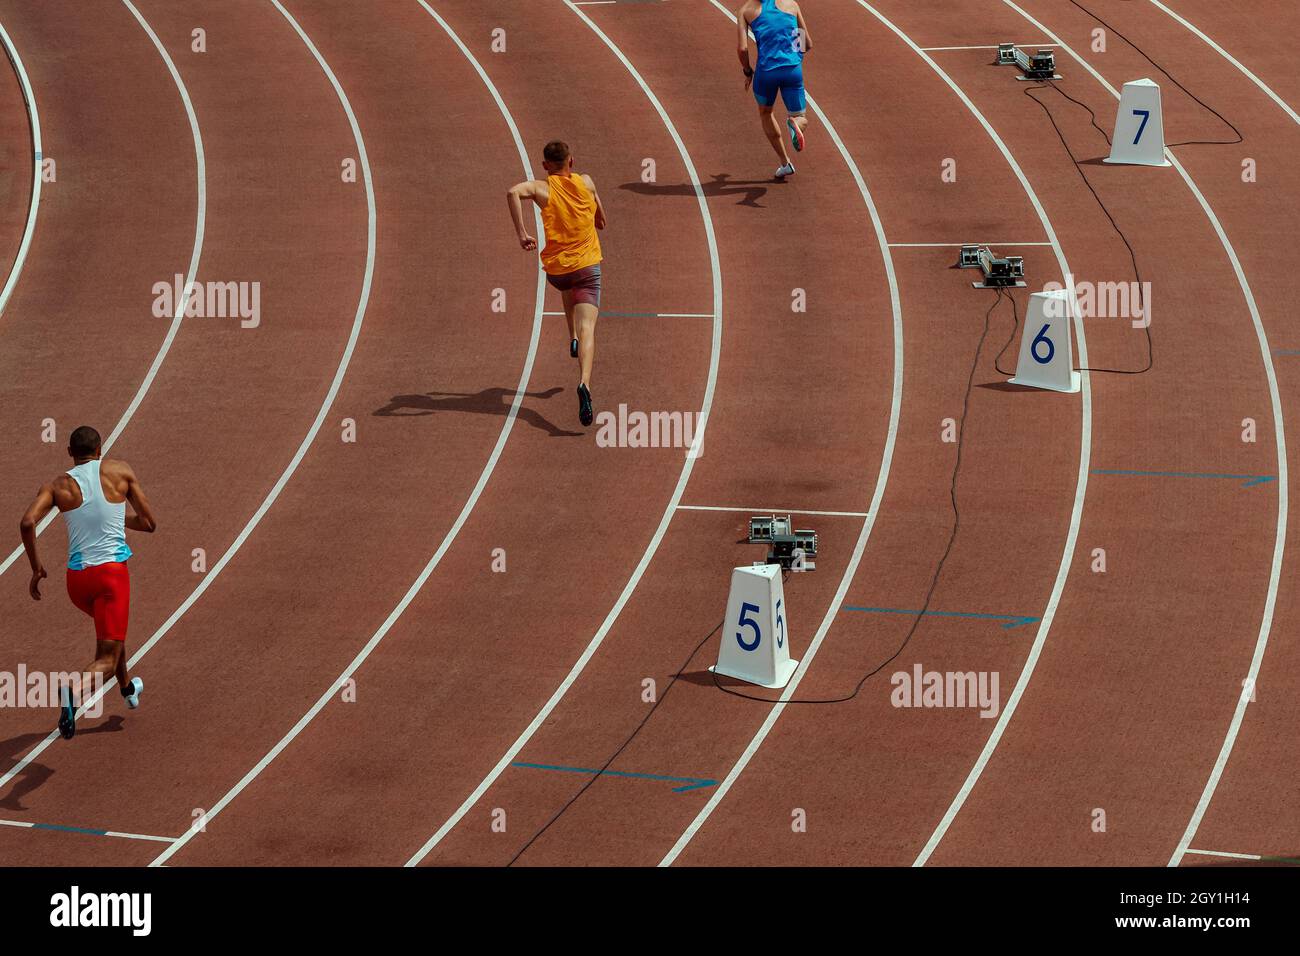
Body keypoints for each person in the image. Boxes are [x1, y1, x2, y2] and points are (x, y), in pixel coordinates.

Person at [19, 425, 156, 739]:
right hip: (110, 577)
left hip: (77, 582)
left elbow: (27, 522)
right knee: (106, 656)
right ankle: (74, 691)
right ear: (100, 450)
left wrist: (36, 567)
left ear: (69, 453)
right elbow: (149, 523)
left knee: (111, 636)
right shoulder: (121, 472)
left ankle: (126, 688)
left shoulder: (56, 486)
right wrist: (118, 517)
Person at [506, 140, 608, 427]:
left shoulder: (542, 189)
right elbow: (600, 212)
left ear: (544, 166)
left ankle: (571, 336)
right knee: (589, 325)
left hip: (558, 269)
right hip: (588, 267)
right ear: (571, 162)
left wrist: (522, 233)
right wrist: (598, 214)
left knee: (566, 288)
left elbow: (513, 192)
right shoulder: (586, 181)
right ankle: (584, 383)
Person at [736, 0, 813, 179]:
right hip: (792, 70)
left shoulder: (746, 10)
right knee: (800, 117)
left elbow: (742, 48)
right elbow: (807, 43)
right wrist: (794, 57)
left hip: (766, 73)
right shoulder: (791, 5)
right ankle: (796, 125)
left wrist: (747, 71)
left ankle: (785, 163)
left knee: (765, 113)